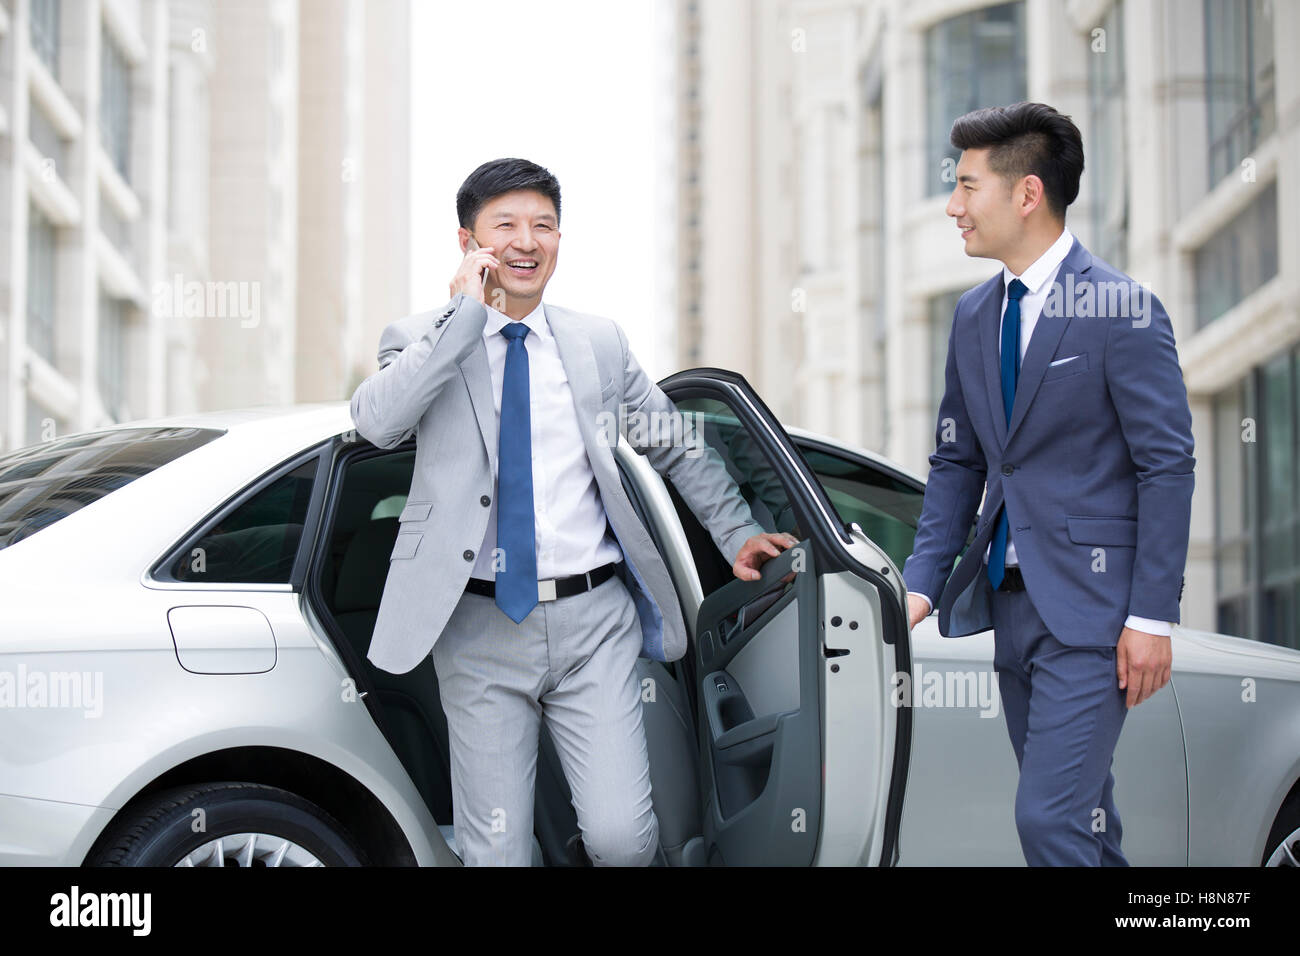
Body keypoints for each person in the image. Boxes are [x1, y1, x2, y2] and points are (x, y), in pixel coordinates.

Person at [349, 158, 793, 866]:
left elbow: (675, 447)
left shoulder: (597, 344)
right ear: (469, 242)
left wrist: (737, 534)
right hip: (477, 626)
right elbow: (378, 421)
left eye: (544, 225)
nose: (527, 241)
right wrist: (464, 315)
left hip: (595, 625)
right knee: (496, 850)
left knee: (622, 839)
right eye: (507, 226)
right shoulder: (421, 337)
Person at [902, 103, 1195, 865]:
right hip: (1010, 607)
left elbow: (1166, 465)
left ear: (1027, 194)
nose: (953, 205)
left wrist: (1151, 619)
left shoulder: (1120, 308)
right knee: (1084, 821)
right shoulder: (972, 317)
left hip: (1095, 617)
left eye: (967, 186)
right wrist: (921, 583)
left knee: (1048, 820)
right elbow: (957, 462)